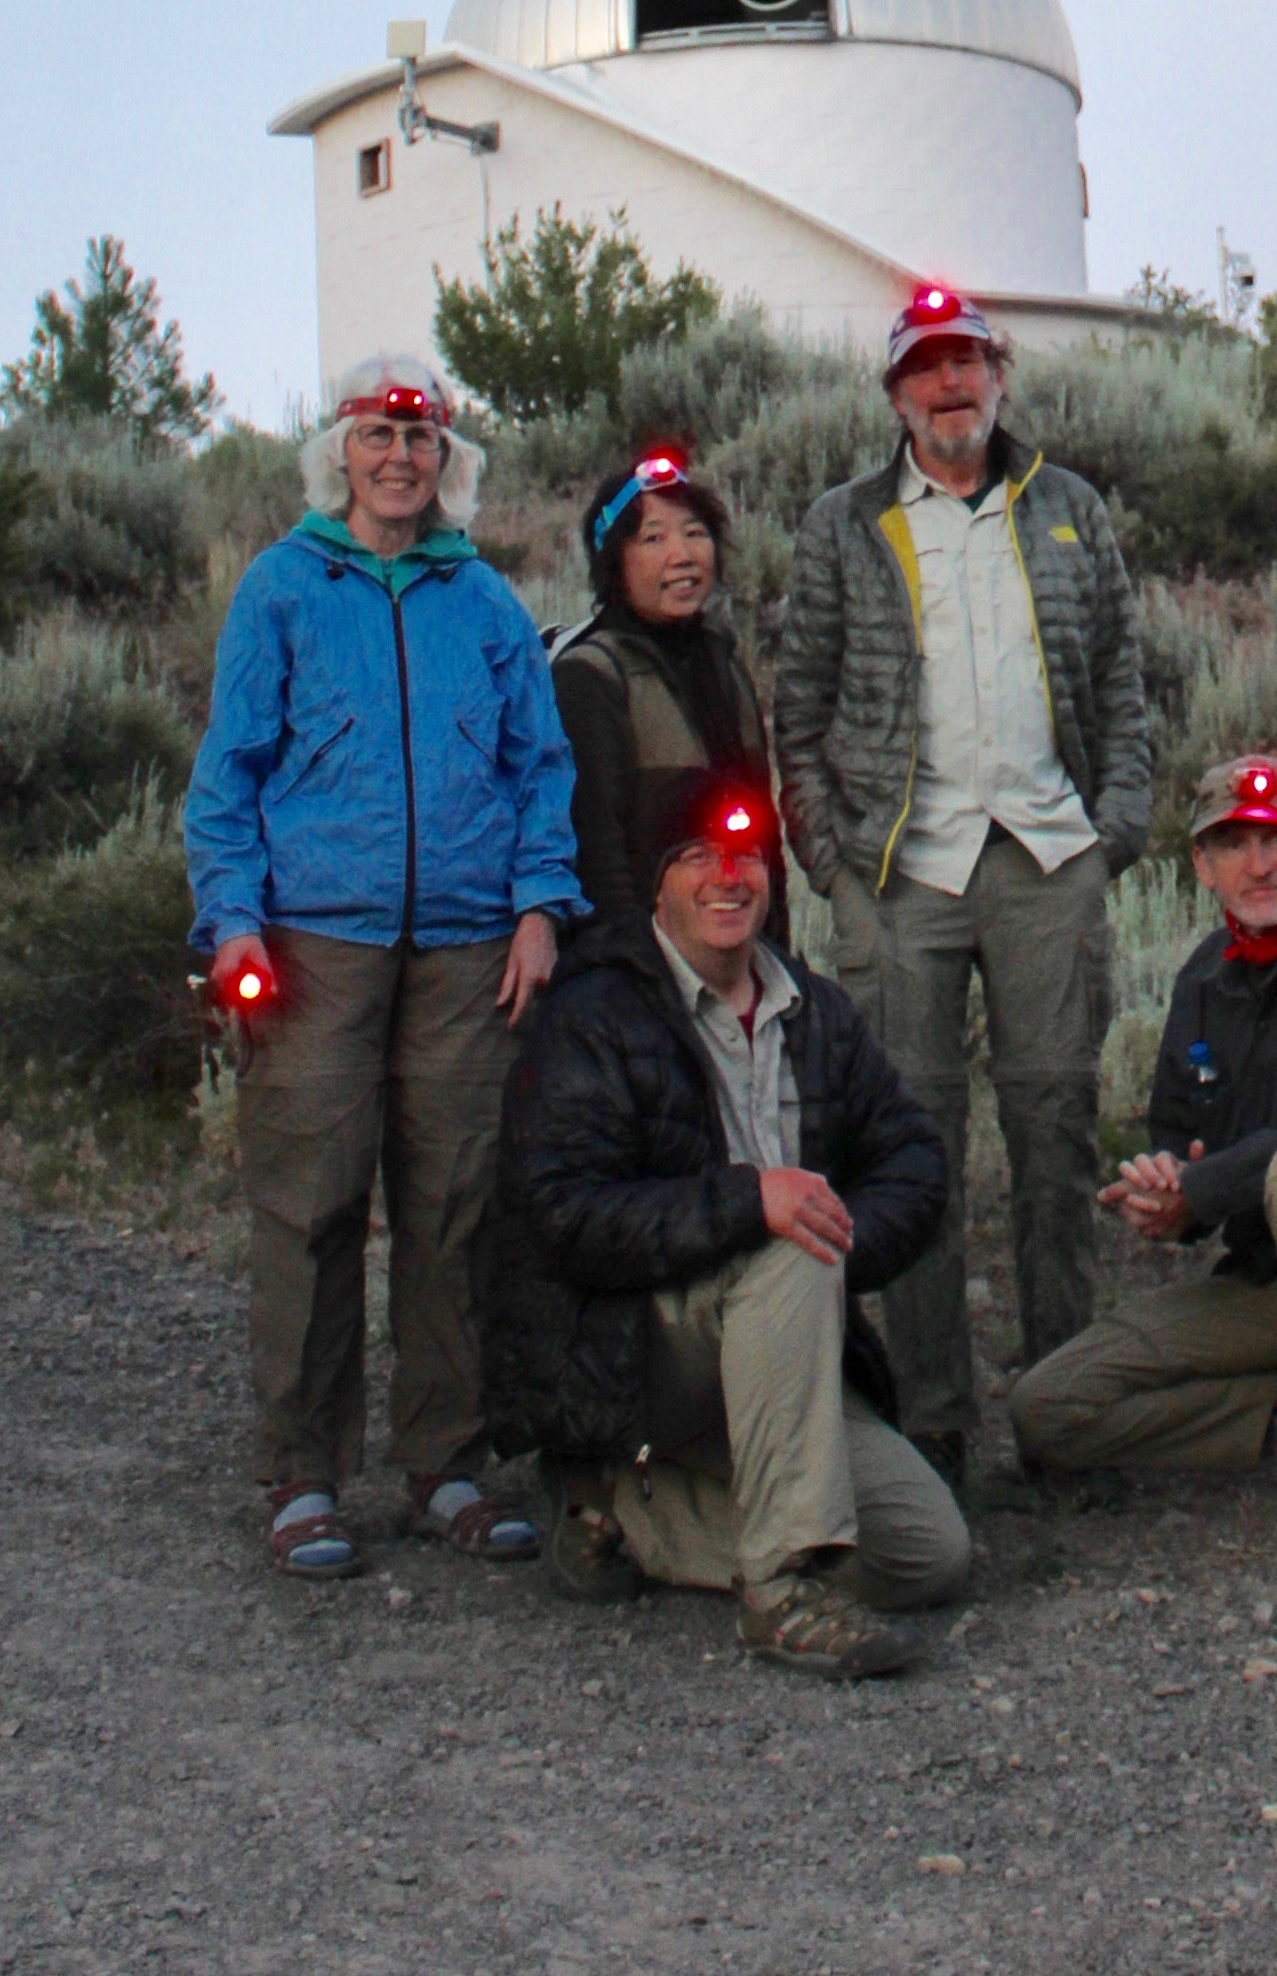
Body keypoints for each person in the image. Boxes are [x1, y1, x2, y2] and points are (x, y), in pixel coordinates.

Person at [184, 354, 585, 1579]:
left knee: (450, 1205)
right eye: (377, 435)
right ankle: (304, 1472)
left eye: (420, 438)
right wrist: (232, 919)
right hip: (317, 941)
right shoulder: (283, 588)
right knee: (308, 1204)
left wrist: (538, 904)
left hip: (468, 945)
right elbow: (229, 774)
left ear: (447, 460)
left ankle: (444, 1463)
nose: (399, 457)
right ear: (339, 454)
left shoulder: (486, 604)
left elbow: (540, 768)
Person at [773, 285, 1152, 1492]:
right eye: (926, 368)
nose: (951, 387)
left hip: (1045, 858)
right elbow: (800, 707)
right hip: (901, 872)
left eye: (969, 364)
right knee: (911, 1145)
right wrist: (833, 867)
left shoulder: (1070, 509)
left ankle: (1062, 1401)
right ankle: (933, 1415)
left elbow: (1120, 680)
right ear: (895, 392)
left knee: (1053, 1131)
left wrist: (1114, 829)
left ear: (1000, 379)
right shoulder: (843, 523)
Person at [485, 769, 968, 1679]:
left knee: (925, 1553)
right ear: (658, 882)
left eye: (746, 854)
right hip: (635, 1351)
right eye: (697, 854)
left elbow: (914, 1159)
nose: (728, 875)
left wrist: (833, 1232)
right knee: (782, 1244)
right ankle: (782, 1592)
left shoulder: (813, 1011)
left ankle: (627, 1510)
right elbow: (558, 1215)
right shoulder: (596, 1011)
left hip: (783, 1348)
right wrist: (752, 1202)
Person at [1010, 755, 1277, 1552]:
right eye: (1235, 843)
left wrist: (1206, 1186)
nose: (1261, 864)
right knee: (1050, 1407)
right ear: (1202, 866)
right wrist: (1162, 1191)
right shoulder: (1205, 979)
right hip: (1272, 1285)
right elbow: (1182, 1152)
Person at [549, 451, 786, 940]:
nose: (682, 554)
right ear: (613, 561)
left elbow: (765, 835)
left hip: (734, 952)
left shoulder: (725, 664)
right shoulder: (590, 675)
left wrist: (777, 956)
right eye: (653, 538)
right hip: (643, 967)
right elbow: (596, 848)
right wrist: (633, 973)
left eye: (695, 532)